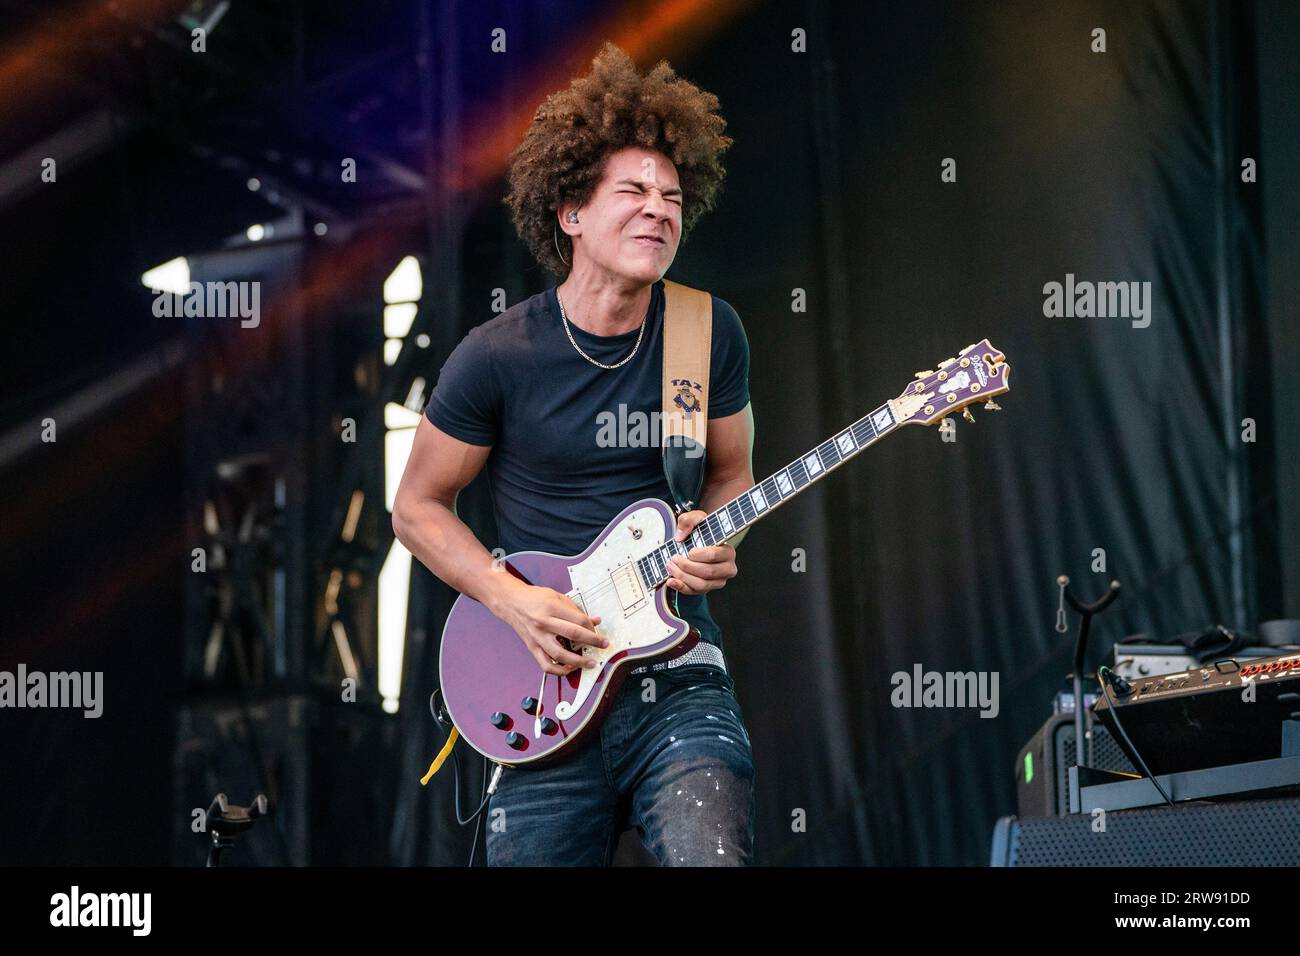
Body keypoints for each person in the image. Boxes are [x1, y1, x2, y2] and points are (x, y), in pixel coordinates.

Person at [393, 43, 756, 865]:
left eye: (671, 197)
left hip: (680, 679)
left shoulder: (706, 332)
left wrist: (720, 539)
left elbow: (734, 476)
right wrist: (510, 599)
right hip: (545, 689)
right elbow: (414, 508)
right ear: (571, 214)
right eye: (632, 191)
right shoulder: (495, 356)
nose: (657, 209)